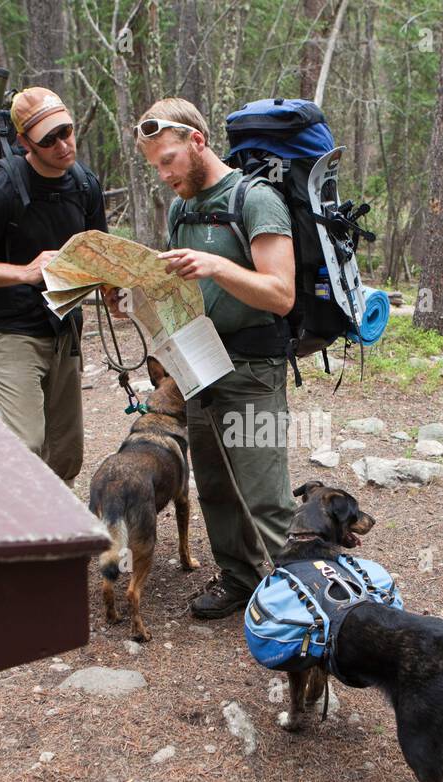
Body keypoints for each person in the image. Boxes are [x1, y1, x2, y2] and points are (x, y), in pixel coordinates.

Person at [134, 97, 298, 619]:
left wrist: (215, 266)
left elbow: (281, 294)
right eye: (155, 166)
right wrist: (130, 302)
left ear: (197, 143)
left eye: (168, 161)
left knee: (265, 493)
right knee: (215, 486)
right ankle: (239, 578)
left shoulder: (257, 199)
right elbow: (174, 289)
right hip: (197, 365)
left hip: (253, 369)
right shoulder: (183, 208)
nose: (163, 176)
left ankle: (299, 600)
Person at [0, 87, 116, 486]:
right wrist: (23, 272)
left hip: (65, 328)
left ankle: (59, 538)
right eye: (49, 139)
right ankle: (22, 533)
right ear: (25, 143)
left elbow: (99, 252)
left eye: (67, 131)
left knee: (66, 450)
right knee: (27, 444)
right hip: (13, 330)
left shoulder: (84, 184)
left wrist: (115, 292)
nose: (63, 145)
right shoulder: (1, 189)